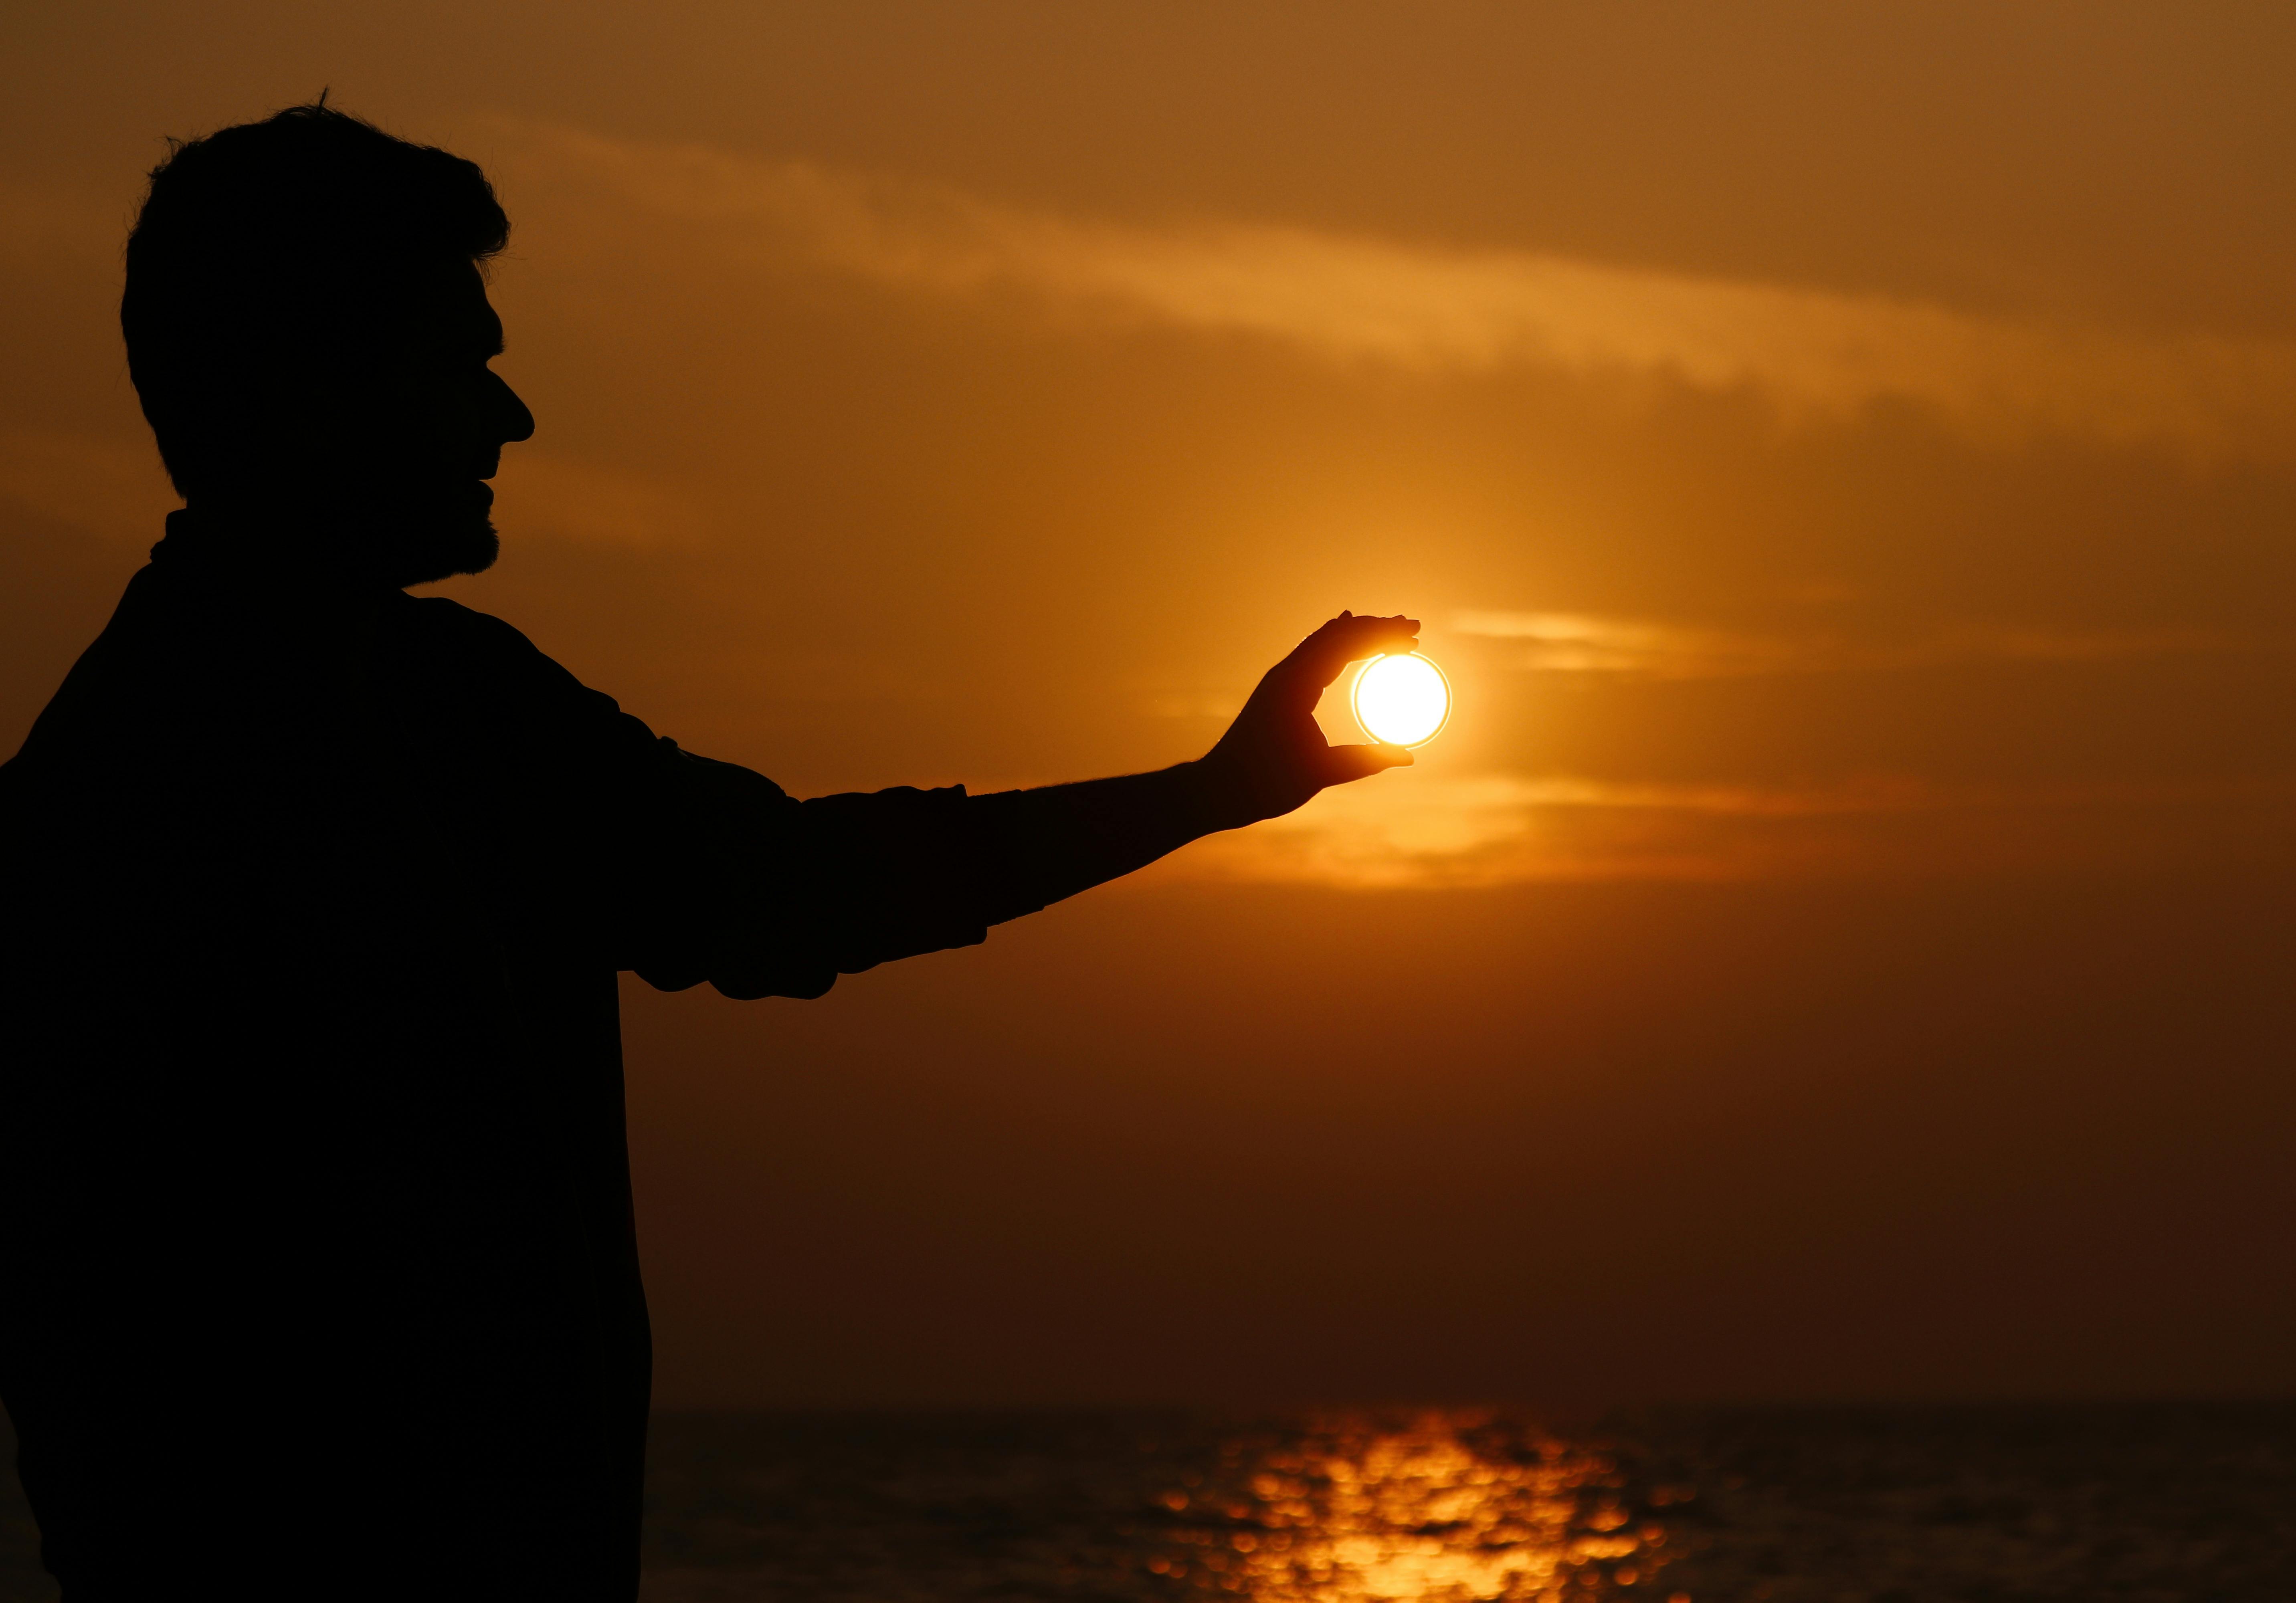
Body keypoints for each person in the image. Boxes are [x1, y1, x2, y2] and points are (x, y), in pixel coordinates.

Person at [0, 104, 1415, 1601]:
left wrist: (1214, 790)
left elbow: (787, 887)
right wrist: (1206, 794)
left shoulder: (433, 711)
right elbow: (795, 895)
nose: (510, 418)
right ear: (314, 378)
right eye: (459, 360)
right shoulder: (177, 803)